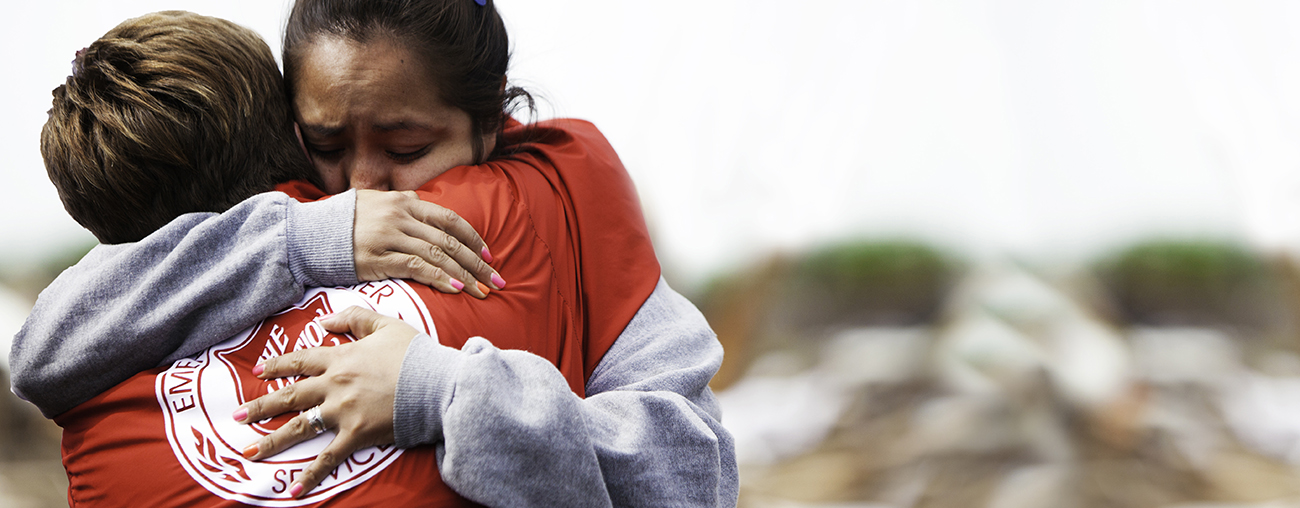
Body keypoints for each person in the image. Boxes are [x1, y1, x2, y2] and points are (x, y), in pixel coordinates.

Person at [14, 3, 737, 507]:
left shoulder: (562, 207)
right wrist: (303, 239)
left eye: (406, 147)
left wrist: (441, 392)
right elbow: (44, 352)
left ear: (489, 118)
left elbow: (690, 477)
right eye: (326, 143)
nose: (362, 184)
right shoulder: (259, 218)